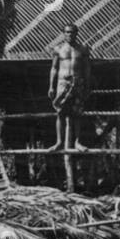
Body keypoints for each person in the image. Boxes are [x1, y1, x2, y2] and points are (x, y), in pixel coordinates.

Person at [47, 23, 91, 151]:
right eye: (67, 32)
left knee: (77, 113)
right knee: (60, 113)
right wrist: (51, 86)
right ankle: (59, 142)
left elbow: (87, 68)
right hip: (62, 84)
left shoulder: (82, 49)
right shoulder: (58, 49)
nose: (69, 34)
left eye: (72, 32)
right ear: (63, 34)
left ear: (76, 33)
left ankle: (77, 142)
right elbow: (54, 68)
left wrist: (88, 85)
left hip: (78, 83)